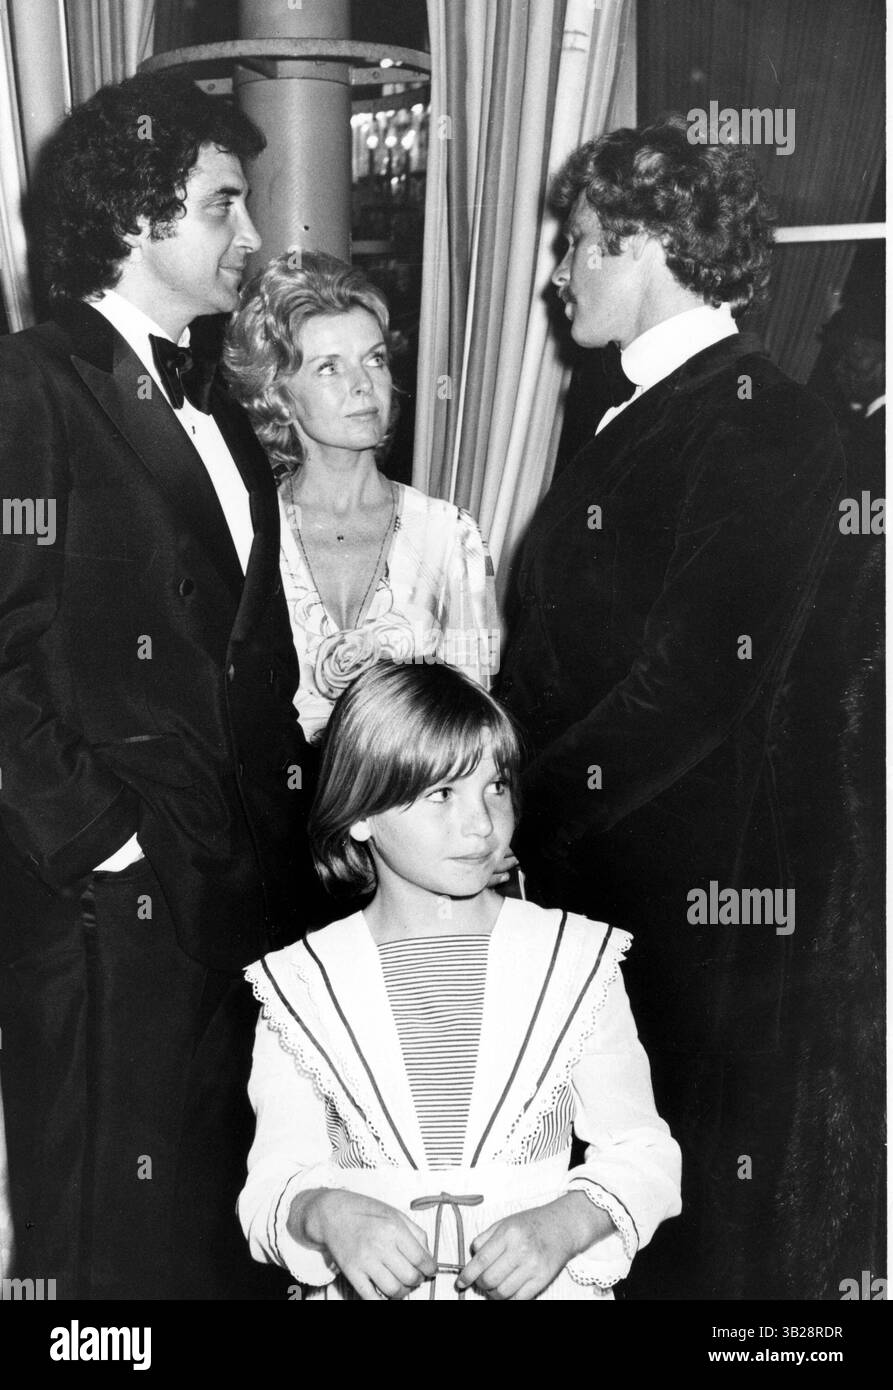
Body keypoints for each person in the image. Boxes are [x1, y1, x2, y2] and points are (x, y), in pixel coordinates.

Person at [498, 116, 846, 1299]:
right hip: (601, 885)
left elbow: (686, 687)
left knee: (671, 1234)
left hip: (687, 906)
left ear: (647, 243)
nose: (557, 272)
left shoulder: (760, 418)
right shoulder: (630, 404)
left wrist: (512, 821)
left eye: (579, 243)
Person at [0, 72, 307, 1299]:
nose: (250, 238)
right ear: (136, 215)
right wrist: (106, 841)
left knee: (203, 1240)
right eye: (224, 205)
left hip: (230, 902)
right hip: (107, 914)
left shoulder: (223, 411)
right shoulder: (31, 383)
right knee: (99, 1268)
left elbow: (250, 667)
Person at [238, 661, 681, 1300]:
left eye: (496, 787)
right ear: (359, 813)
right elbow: (271, 1185)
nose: (482, 824)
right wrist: (325, 1214)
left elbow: (644, 1150)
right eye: (443, 794)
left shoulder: (575, 960)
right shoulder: (300, 984)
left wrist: (564, 1225)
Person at [224, 251, 499, 745]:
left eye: (374, 358)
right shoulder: (248, 534)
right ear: (279, 396)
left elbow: (477, 722)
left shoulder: (450, 535)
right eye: (329, 368)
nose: (363, 385)